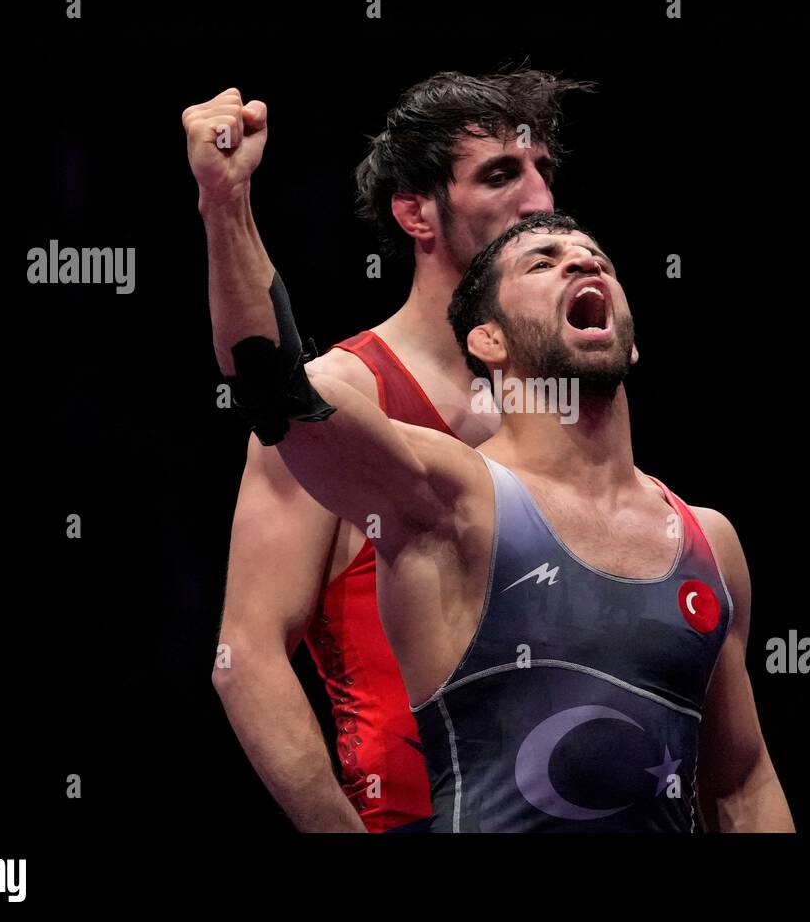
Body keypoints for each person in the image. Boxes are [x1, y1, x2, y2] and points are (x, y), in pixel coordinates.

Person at [212, 210, 795, 831]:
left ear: (630, 341)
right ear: (488, 340)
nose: (582, 262)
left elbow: (741, 784)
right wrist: (226, 204)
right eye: (542, 262)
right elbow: (277, 392)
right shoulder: (447, 498)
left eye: (597, 257)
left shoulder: (711, 540)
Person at [183, 70, 592, 831]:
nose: (540, 201)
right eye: (501, 174)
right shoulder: (345, 393)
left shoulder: (563, 407)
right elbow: (247, 657)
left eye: (545, 173)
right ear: (415, 212)